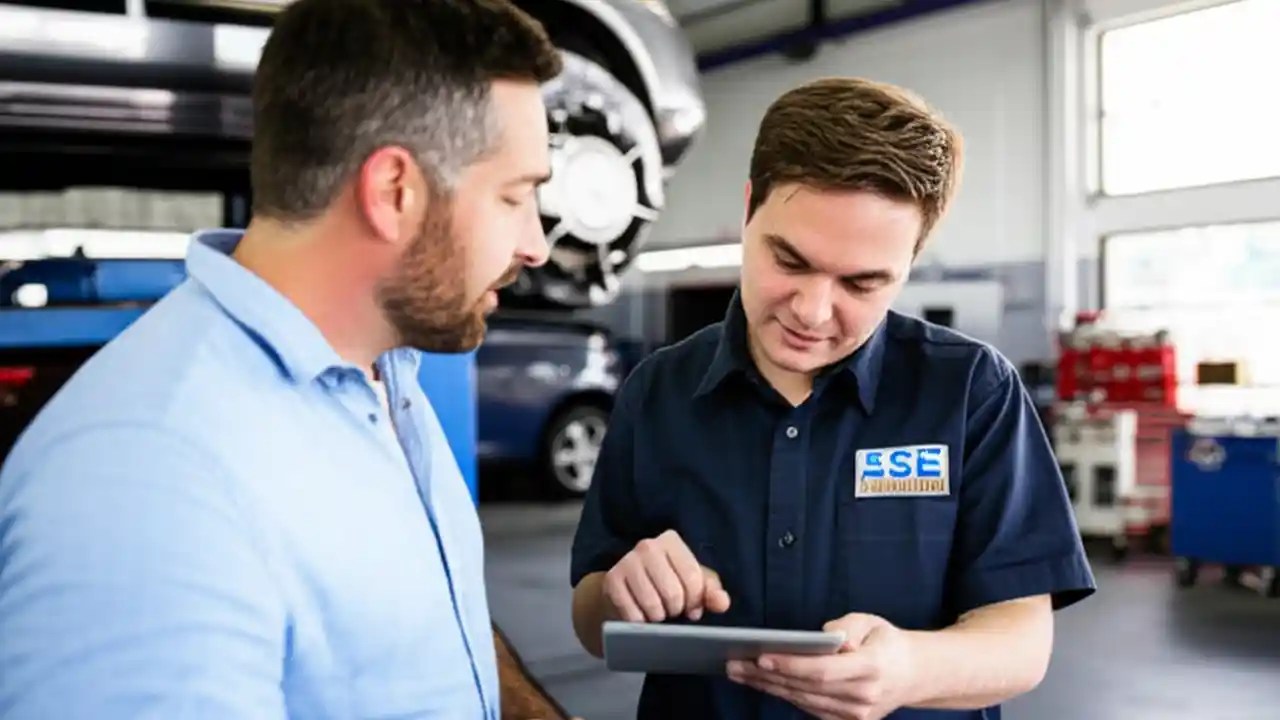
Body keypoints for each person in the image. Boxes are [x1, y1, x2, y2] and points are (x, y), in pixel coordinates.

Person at [0, 0, 574, 718]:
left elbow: (414, 635)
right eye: (515, 197)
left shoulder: (382, 380)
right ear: (394, 193)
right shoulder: (147, 479)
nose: (536, 246)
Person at [569, 77, 1097, 720]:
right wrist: (621, 597)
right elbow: (591, 620)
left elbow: (1020, 644)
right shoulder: (657, 392)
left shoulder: (971, 394)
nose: (813, 312)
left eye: (863, 283)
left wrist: (908, 671)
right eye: (789, 261)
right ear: (747, 211)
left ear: (910, 260)